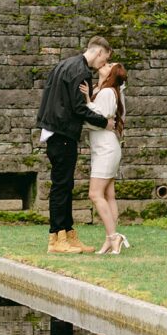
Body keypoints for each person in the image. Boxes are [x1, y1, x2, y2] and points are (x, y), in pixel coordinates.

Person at [36, 36, 115, 254]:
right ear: (99, 52)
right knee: (61, 186)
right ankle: (56, 238)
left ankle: (68, 234)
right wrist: (104, 122)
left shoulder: (65, 64)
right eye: (104, 60)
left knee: (65, 185)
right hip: (62, 133)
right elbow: (79, 109)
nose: (102, 65)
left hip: (54, 131)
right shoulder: (81, 73)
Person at [86, 63, 130, 255]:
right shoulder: (103, 90)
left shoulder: (107, 93)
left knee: (95, 194)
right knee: (109, 194)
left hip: (105, 149)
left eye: (109, 65)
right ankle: (110, 239)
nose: (105, 64)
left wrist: (87, 99)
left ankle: (114, 237)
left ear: (112, 74)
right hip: (104, 147)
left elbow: (99, 119)